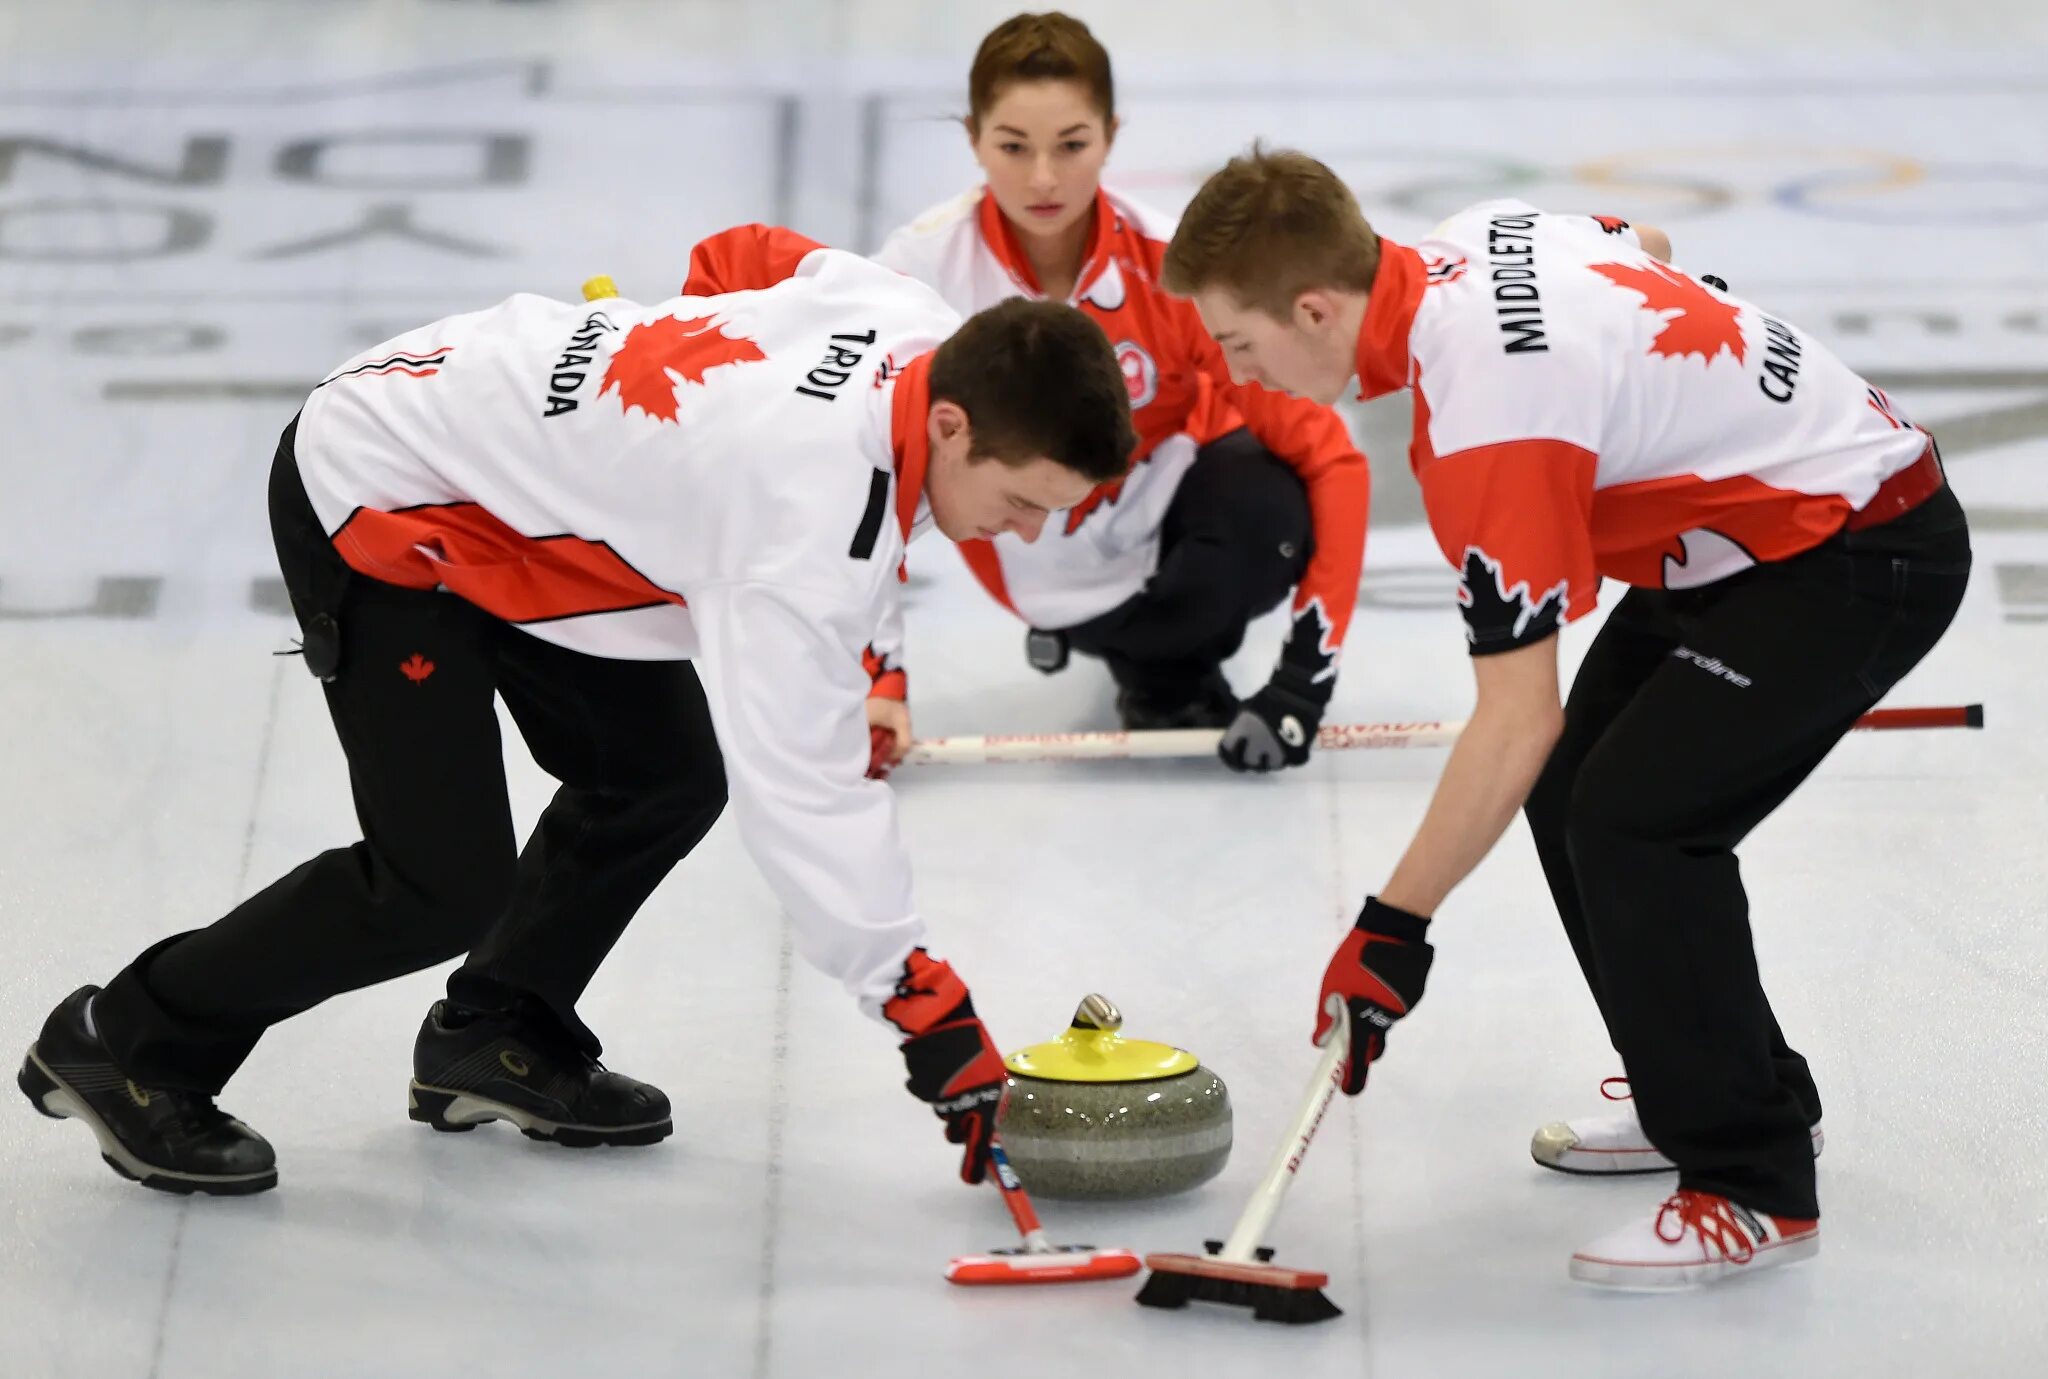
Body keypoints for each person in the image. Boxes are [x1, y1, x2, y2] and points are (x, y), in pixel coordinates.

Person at [17, 223, 1137, 1197]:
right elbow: (806, 799)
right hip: (384, 495)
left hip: (523, 499)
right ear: (952, 425)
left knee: (658, 774)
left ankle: (496, 1028)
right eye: (1021, 499)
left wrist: (650, 414)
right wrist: (923, 1008)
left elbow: (743, 256)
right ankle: (127, 1041)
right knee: (435, 883)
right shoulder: (791, 524)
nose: (1029, 532)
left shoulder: (911, 320)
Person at [1160, 148, 1970, 1289]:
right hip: (1752, 534)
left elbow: (1512, 720)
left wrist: (1391, 925)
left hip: (1856, 553)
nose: (1238, 373)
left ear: (1315, 308)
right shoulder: (1471, 235)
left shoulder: (1489, 420)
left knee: (1637, 821)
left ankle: (1752, 1179)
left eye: (1240, 343)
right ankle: (1704, 1082)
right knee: (1577, 786)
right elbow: (1649, 250)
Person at [869, 12, 1370, 772]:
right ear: (973, 138)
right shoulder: (915, 273)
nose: (1043, 178)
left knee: (1270, 509)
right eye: (1013, 147)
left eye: (1071, 145)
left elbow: (1330, 457)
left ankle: (1164, 660)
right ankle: (1134, 653)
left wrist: (1304, 677)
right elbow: (861, 477)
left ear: (1111, 134)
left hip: (1164, 504)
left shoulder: (1171, 269)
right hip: (1023, 550)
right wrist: (879, 680)